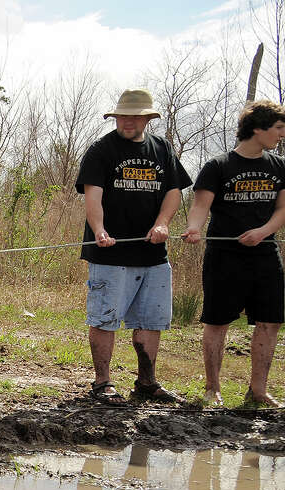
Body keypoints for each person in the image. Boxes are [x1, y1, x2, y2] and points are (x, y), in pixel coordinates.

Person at [74, 88, 192, 406]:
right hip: (110, 252)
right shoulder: (101, 150)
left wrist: (163, 223)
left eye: (135, 116)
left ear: (147, 119)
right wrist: (99, 230)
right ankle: (102, 383)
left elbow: (173, 191)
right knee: (105, 317)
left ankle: (146, 382)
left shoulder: (162, 149)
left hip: (153, 254)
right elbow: (92, 195)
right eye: (123, 116)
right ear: (116, 117)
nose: (128, 121)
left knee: (152, 319)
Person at [184, 100, 285, 409]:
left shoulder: (279, 166)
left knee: (270, 322)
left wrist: (263, 231)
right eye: (279, 128)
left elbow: (283, 209)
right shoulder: (219, 165)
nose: (282, 135)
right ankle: (212, 389)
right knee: (217, 323)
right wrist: (193, 228)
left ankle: (258, 390)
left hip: (266, 254)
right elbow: (200, 206)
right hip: (224, 256)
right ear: (258, 128)